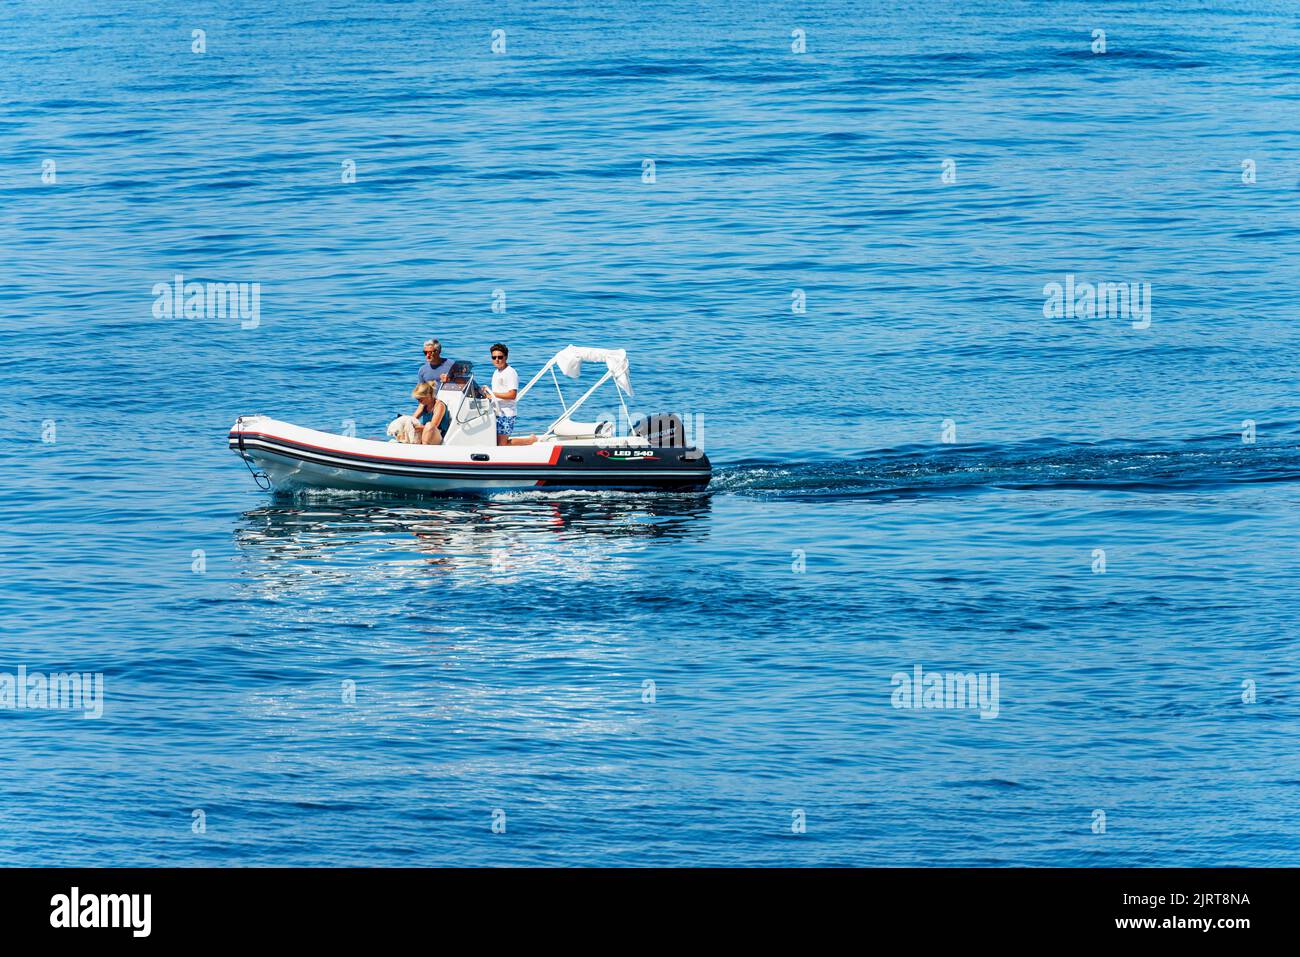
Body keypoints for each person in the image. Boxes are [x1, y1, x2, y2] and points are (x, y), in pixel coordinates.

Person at [480, 343, 536, 446]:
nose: (497, 360)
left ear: (505, 357)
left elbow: (512, 395)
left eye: (500, 357)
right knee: (493, 442)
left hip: (506, 413)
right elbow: (497, 392)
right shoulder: (496, 372)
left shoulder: (510, 373)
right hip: (496, 412)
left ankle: (530, 440)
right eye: (494, 357)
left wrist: (492, 395)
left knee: (502, 444)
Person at [413, 339, 455, 439]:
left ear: (438, 351)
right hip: (429, 405)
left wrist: (450, 379)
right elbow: (421, 395)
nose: (427, 355)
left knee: (431, 427)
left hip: (444, 406)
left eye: (430, 352)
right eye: (425, 352)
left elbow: (463, 383)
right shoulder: (422, 370)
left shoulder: (451, 365)